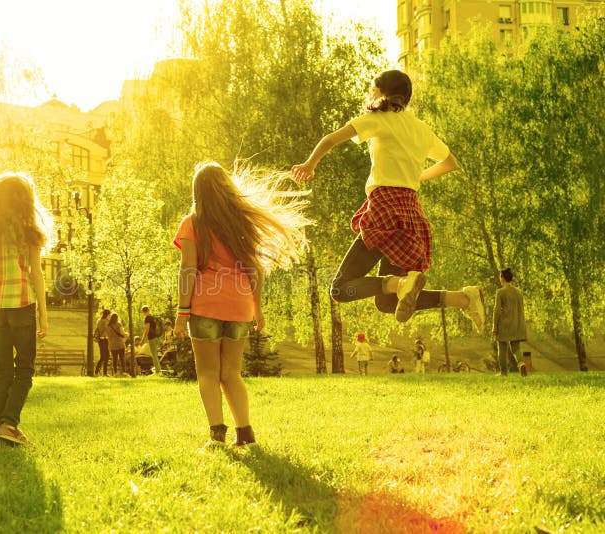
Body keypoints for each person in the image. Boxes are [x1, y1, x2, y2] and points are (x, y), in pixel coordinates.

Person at [291, 70, 485, 331]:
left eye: (373, 89)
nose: (370, 93)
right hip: (409, 214)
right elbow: (450, 163)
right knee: (386, 302)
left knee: (339, 289)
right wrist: (413, 177)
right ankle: (462, 298)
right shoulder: (420, 128)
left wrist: (309, 164)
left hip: (383, 211)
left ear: (382, 93)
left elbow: (331, 139)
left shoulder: (379, 118)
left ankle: (402, 283)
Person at [173, 161, 311, 448]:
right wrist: (256, 308)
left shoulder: (192, 224)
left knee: (209, 373)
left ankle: (216, 436)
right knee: (232, 373)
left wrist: (181, 312)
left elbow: (187, 269)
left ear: (197, 192)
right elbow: (255, 270)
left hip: (205, 307)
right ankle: (245, 433)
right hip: (239, 307)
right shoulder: (241, 223)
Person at [0, 172, 52, 448]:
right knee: (25, 370)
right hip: (20, 305)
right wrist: (43, 313)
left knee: (2, 372)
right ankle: (9, 424)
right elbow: (37, 274)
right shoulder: (28, 232)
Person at [492, 268, 528, 377]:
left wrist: (495, 326)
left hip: (504, 324)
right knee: (516, 348)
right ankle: (521, 363)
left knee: (502, 348)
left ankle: (503, 373)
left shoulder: (500, 292)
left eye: (500, 276)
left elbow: (497, 310)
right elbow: (521, 309)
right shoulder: (518, 292)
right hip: (516, 324)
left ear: (502, 277)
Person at [138, 305, 163, 375]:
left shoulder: (147, 318)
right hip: (156, 337)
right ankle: (158, 369)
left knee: (154, 354)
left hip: (151, 338)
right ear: (148, 310)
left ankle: (158, 371)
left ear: (143, 311)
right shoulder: (152, 317)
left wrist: (142, 340)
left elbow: (146, 329)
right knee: (154, 354)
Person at [106, 313, 128, 377]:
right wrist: (126, 334)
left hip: (112, 344)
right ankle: (124, 372)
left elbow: (107, 336)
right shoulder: (118, 324)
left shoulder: (107, 326)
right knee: (122, 358)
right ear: (117, 318)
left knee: (114, 359)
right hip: (120, 343)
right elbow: (122, 333)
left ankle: (115, 373)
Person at [94, 309, 112, 376]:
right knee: (105, 356)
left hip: (100, 340)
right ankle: (103, 372)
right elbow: (108, 330)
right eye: (109, 315)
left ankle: (98, 372)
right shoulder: (106, 322)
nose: (110, 316)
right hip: (105, 340)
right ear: (107, 315)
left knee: (104, 356)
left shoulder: (99, 320)